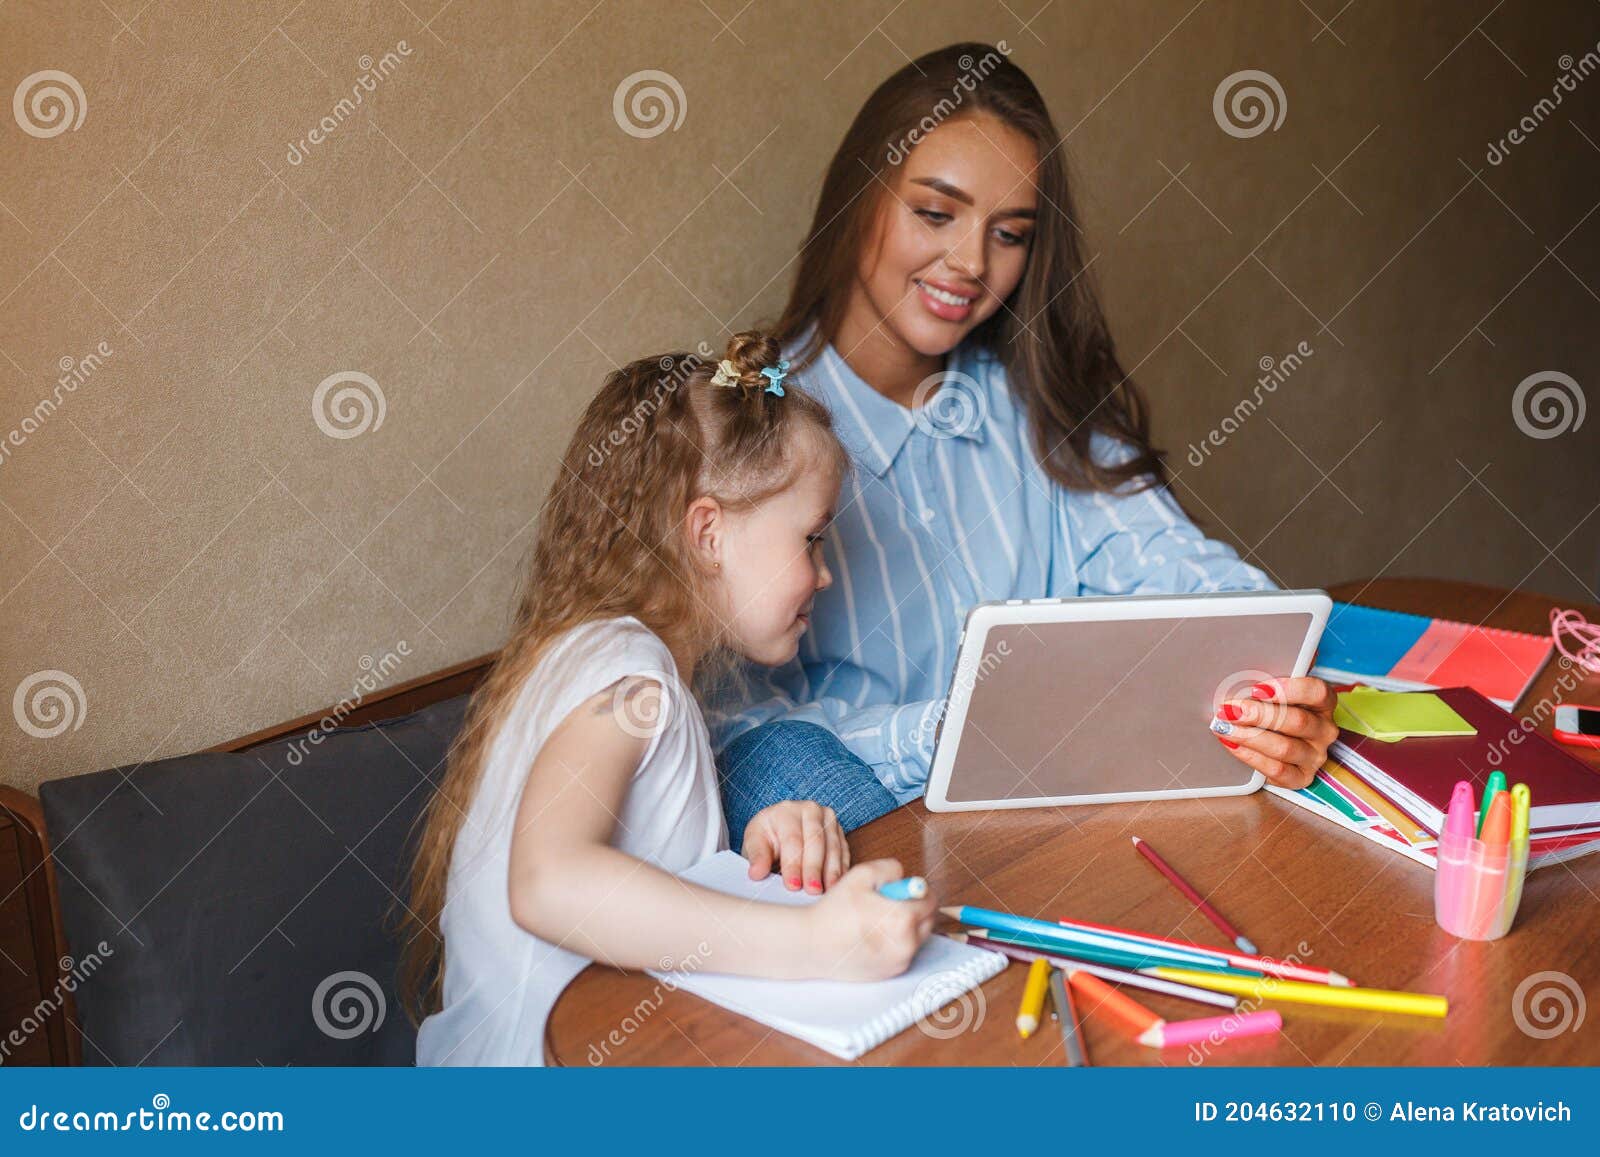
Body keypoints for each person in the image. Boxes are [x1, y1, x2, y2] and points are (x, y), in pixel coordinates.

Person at [710, 44, 1339, 837]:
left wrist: (1273, 687)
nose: (970, 263)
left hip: (1079, 823)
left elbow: (1170, 565)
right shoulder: (753, 419)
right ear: (857, 200)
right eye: (935, 214)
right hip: (880, 836)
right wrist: (951, 732)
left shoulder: (1033, 400)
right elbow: (738, 727)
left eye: (1009, 234)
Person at [400, 333, 938, 1065]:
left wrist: (744, 853)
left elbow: (635, 889)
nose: (823, 575)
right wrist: (812, 942)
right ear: (708, 532)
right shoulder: (630, 674)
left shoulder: (605, 661)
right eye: (809, 539)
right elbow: (549, 881)